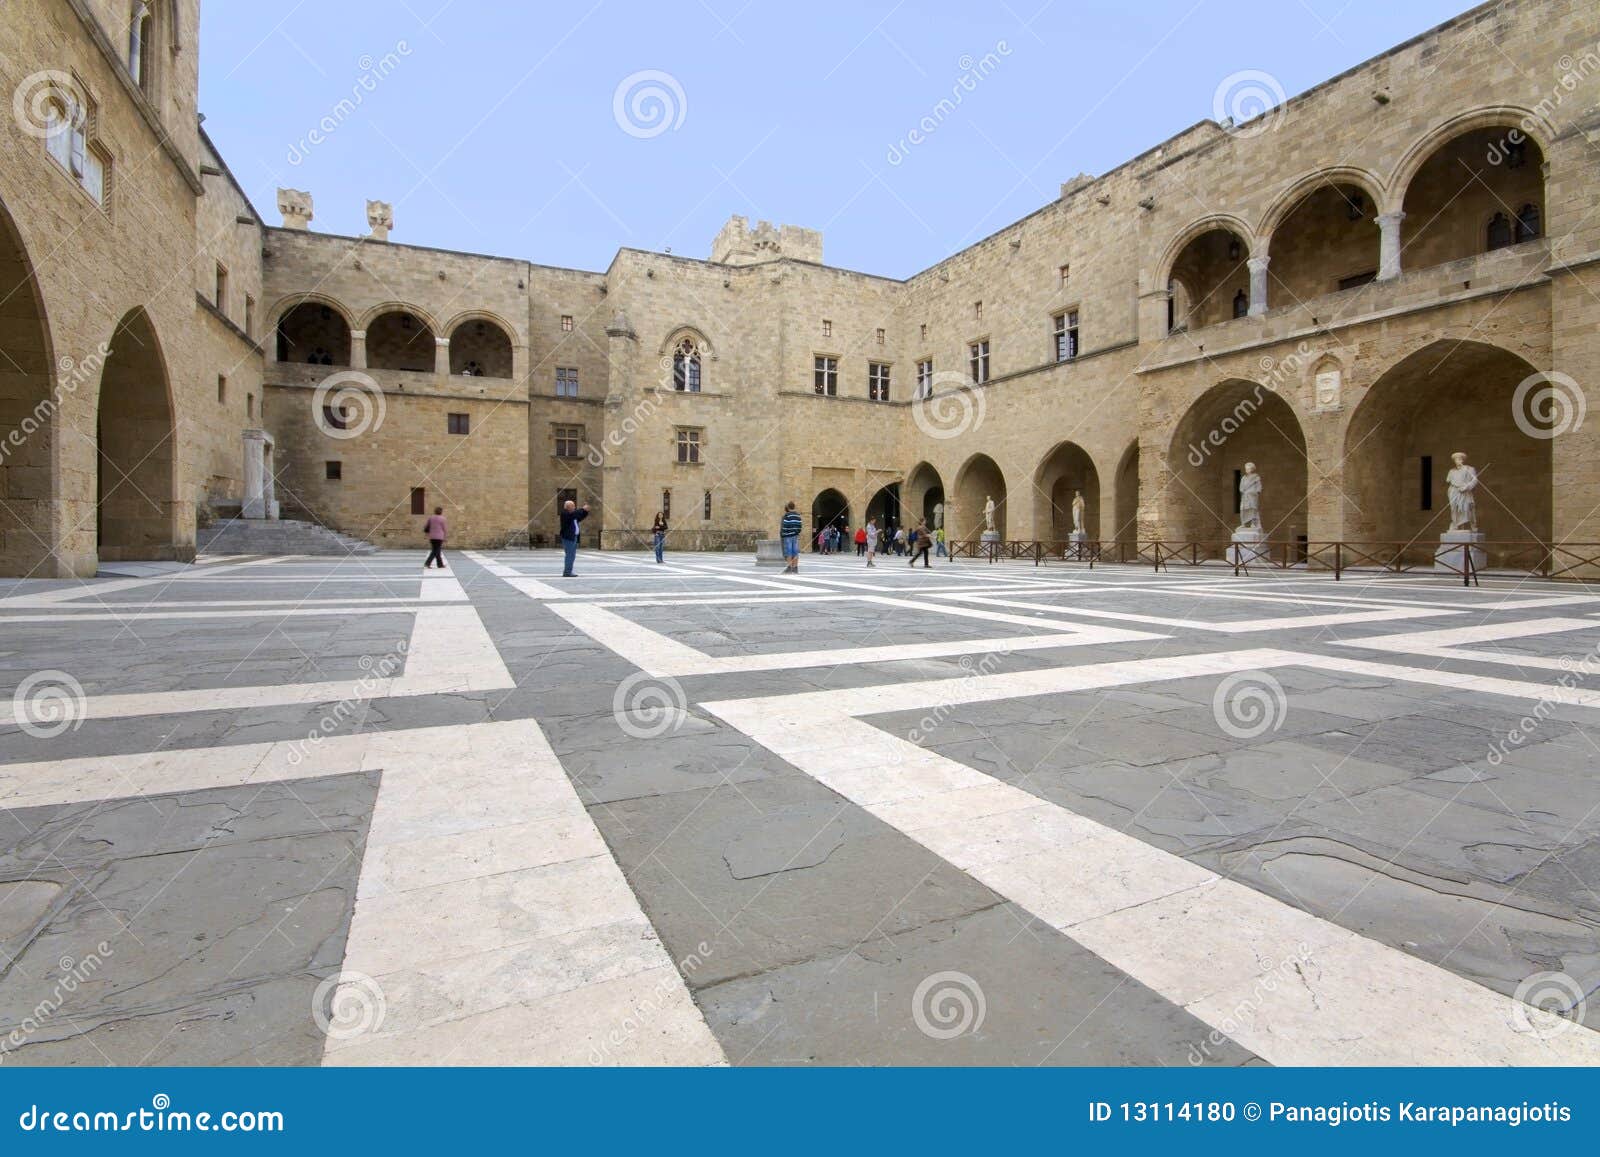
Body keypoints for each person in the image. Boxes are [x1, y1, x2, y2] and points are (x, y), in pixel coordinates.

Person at [559, 498, 589, 576]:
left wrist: (585, 511)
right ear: (568, 507)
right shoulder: (565, 513)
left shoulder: (572, 515)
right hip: (568, 538)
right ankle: (567, 572)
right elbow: (574, 514)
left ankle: (568, 571)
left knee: (572, 555)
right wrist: (582, 508)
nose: (574, 508)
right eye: (573, 506)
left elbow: (580, 516)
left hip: (573, 537)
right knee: (570, 555)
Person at [780, 501, 803, 573]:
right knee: (795, 552)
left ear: (788, 507)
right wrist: (796, 532)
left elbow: (784, 526)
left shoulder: (786, 516)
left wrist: (783, 534)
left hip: (787, 536)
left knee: (788, 552)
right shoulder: (798, 516)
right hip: (795, 535)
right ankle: (795, 568)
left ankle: (789, 567)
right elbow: (800, 526)